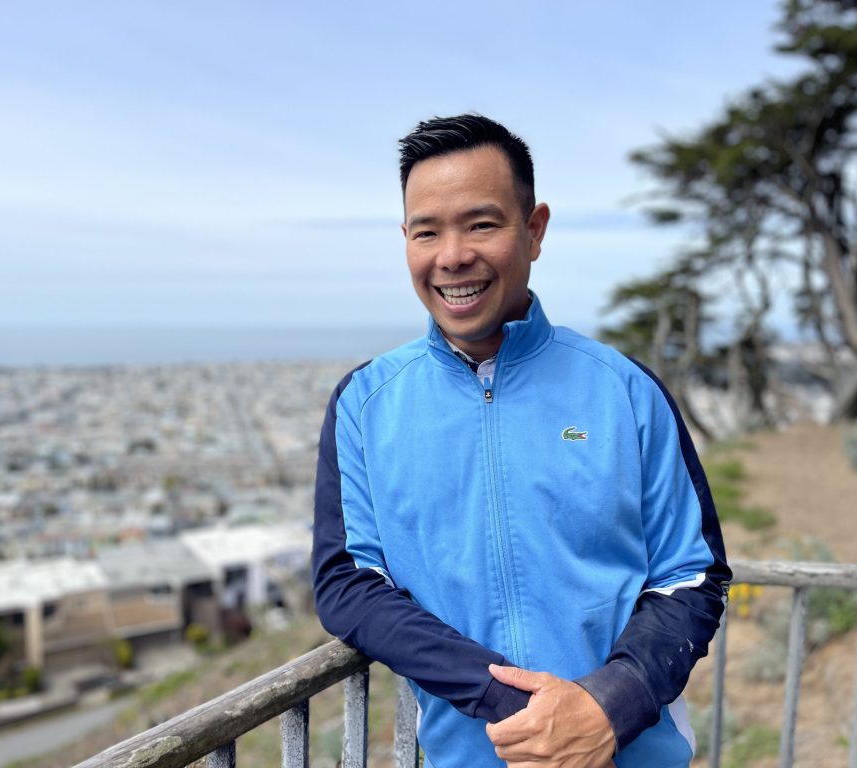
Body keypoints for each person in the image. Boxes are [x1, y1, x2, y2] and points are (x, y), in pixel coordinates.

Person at [311, 114, 730, 768]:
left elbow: (692, 574)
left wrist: (608, 704)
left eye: (481, 224)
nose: (452, 256)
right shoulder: (366, 405)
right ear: (406, 241)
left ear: (534, 230)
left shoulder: (624, 390)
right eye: (427, 231)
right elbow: (348, 583)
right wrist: (513, 704)